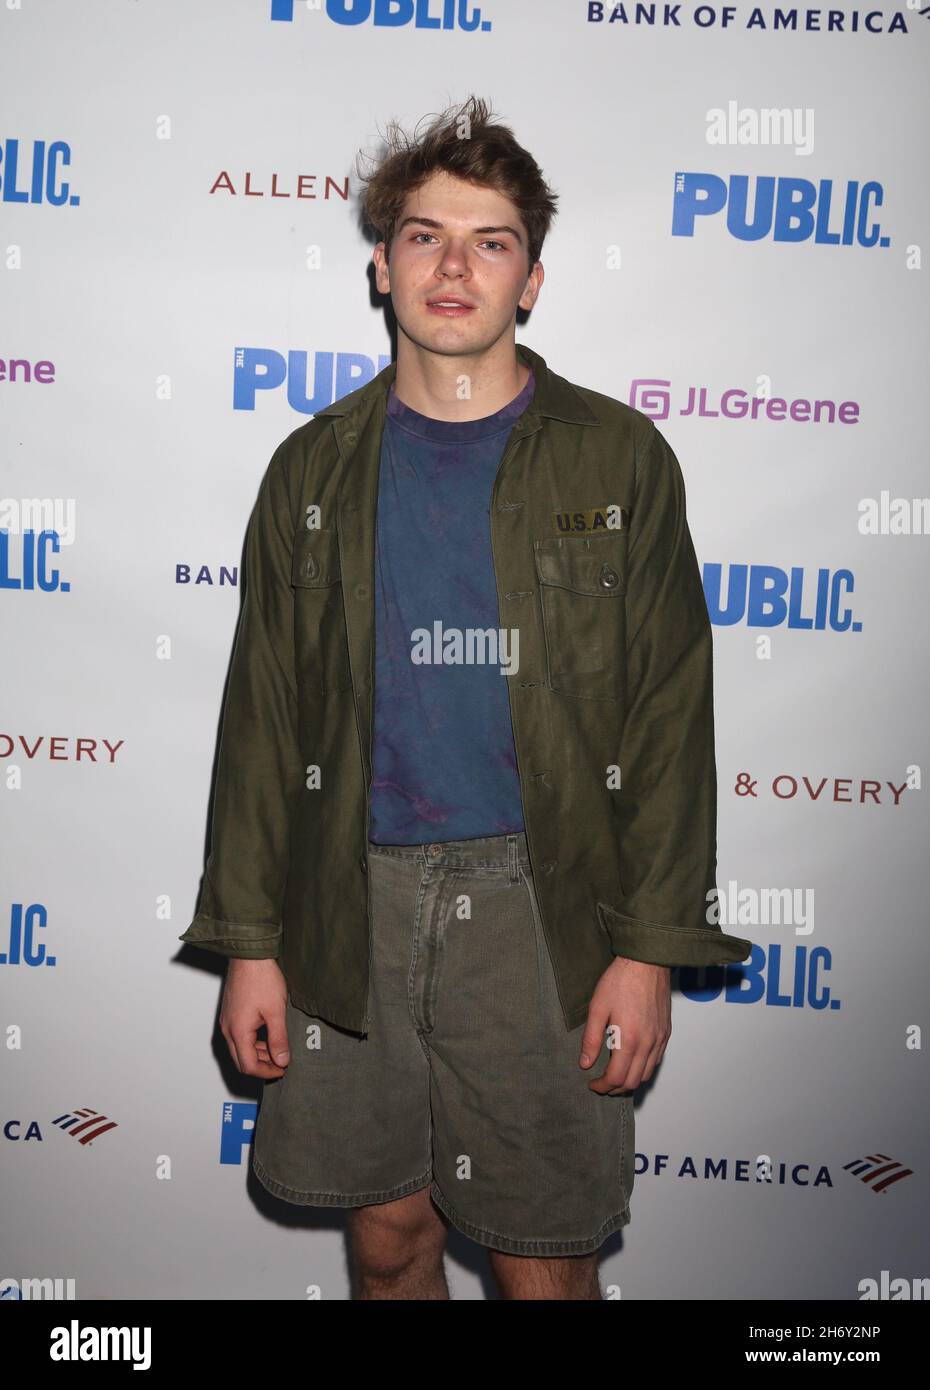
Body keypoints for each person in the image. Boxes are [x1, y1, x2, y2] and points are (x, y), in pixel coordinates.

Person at [180, 95, 752, 1301]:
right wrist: (251, 946)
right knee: (386, 1241)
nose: (454, 266)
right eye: (426, 236)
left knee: (545, 1268)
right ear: (381, 267)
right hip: (350, 903)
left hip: (543, 910)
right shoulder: (311, 469)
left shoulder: (618, 458)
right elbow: (263, 720)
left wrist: (647, 950)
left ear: (531, 278)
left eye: (489, 241)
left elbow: (667, 723)